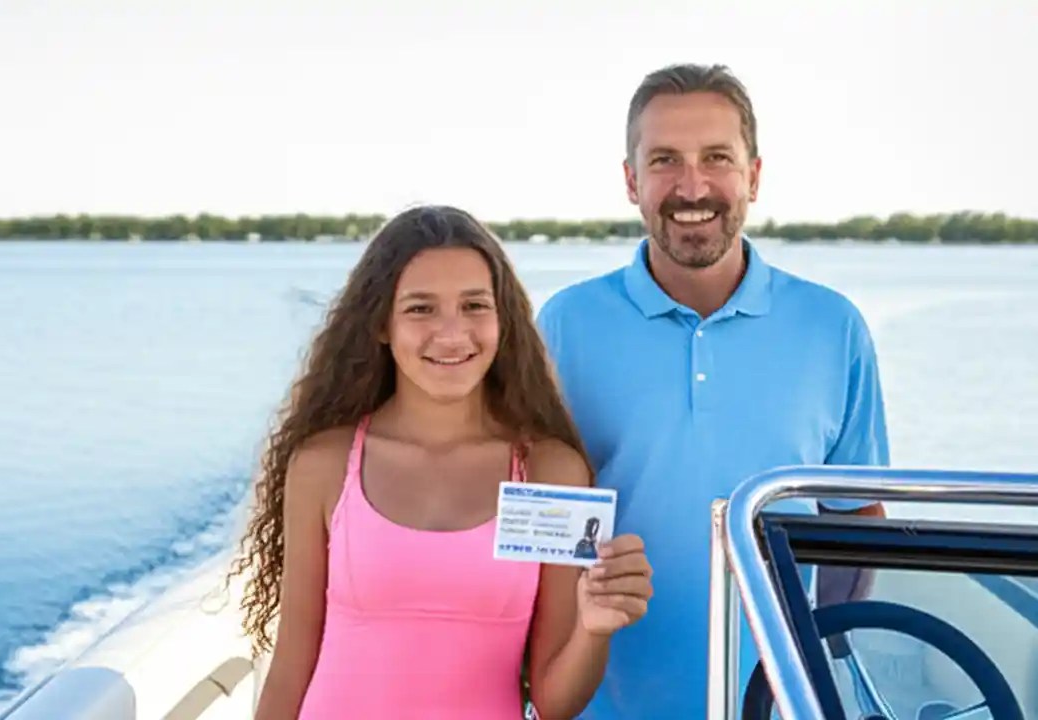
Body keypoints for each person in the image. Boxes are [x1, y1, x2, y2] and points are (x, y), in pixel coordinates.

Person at [536, 63, 890, 719]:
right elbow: (540, 530)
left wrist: (823, 663)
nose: (692, 185)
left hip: (777, 705)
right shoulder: (564, 325)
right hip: (604, 707)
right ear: (631, 180)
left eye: (716, 158)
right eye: (665, 159)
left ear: (753, 176)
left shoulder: (832, 327)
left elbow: (857, 521)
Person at [227, 205, 655, 719]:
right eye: (420, 309)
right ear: (381, 324)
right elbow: (290, 670)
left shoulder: (551, 472)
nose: (452, 334)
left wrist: (594, 627)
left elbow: (554, 701)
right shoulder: (324, 465)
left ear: (504, 319)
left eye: (474, 305)